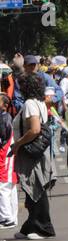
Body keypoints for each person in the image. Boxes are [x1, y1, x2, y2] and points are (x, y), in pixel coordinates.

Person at [13, 72, 56, 240]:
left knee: (36, 189)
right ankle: (30, 226)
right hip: (37, 151)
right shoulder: (39, 102)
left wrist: (18, 144)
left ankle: (43, 227)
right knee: (33, 189)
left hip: (31, 152)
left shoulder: (30, 103)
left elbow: (35, 129)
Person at [0, 94, 16, 232]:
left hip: (5, 155)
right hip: (7, 154)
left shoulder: (5, 118)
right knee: (10, 187)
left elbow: (4, 138)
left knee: (3, 186)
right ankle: (11, 217)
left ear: (5, 105)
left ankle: (7, 218)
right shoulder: (5, 117)